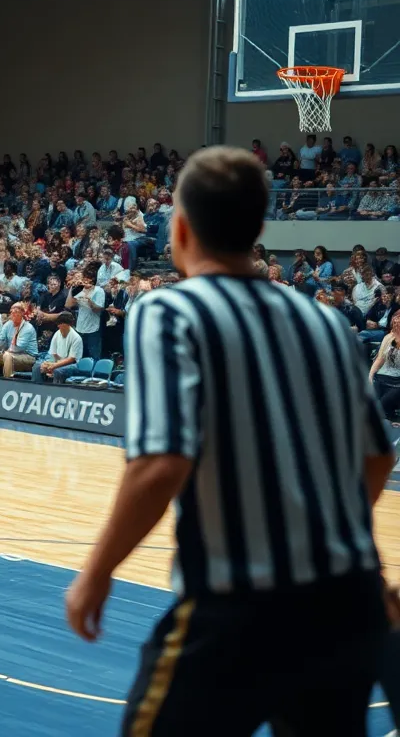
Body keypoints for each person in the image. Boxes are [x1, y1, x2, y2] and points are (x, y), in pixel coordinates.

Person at [65, 147, 397, 735]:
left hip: (238, 606)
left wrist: (97, 572)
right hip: (347, 605)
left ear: (182, 227)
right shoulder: (324, 321)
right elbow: (377, 456)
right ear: (259, 228)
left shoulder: (169, 311)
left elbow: (161, 462)